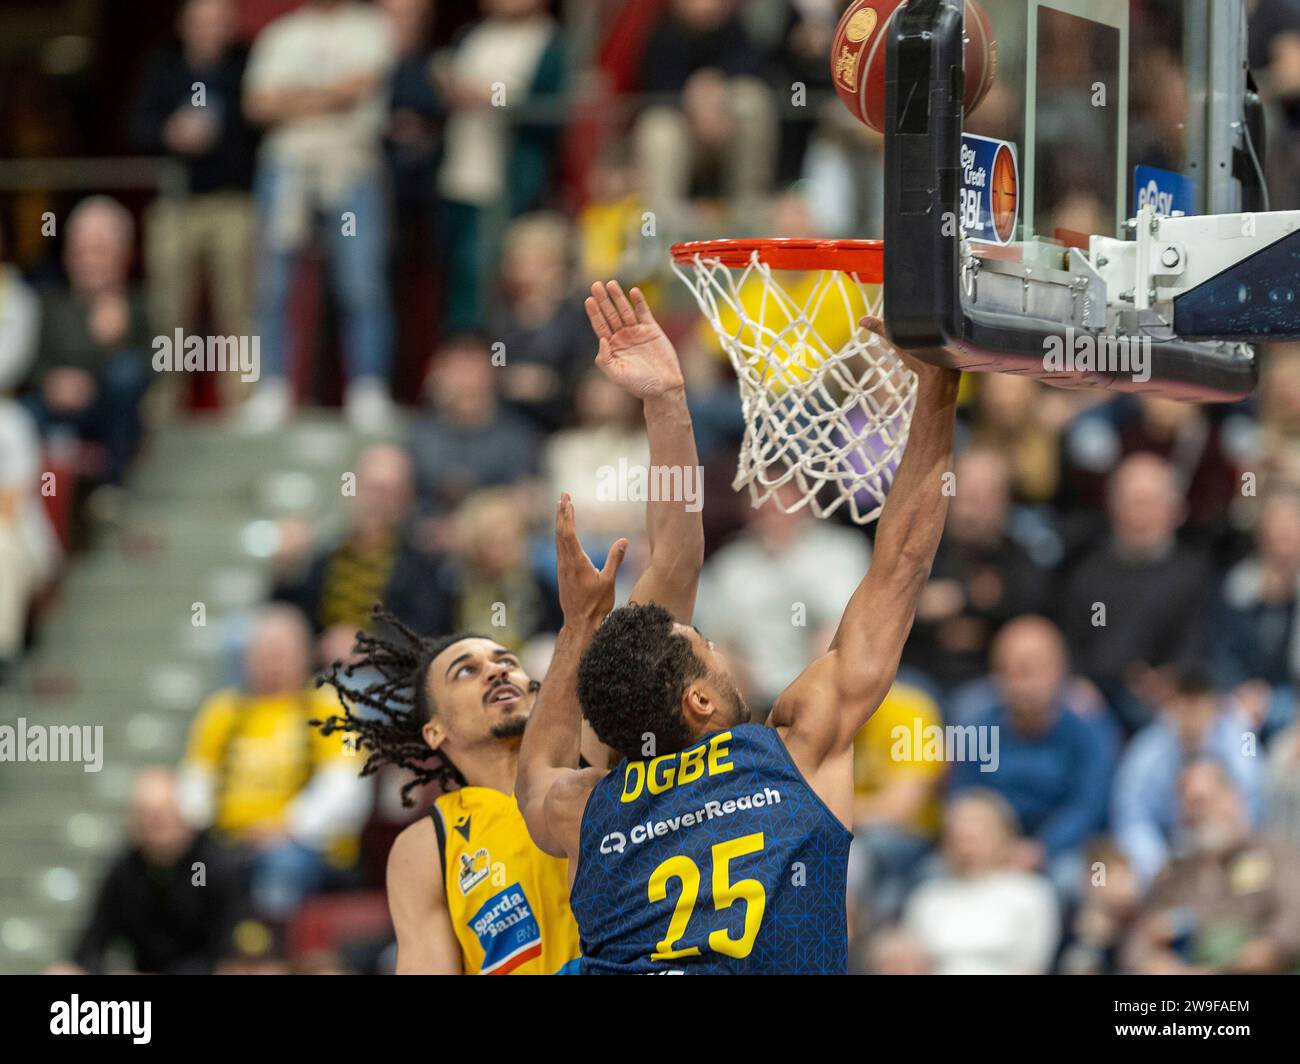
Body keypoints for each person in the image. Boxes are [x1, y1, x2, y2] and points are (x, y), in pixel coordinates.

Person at [516, 303, 961, 974]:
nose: (720, 648)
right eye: (707, 646)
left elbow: (532, 780)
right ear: (698, 701)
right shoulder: (796, 752)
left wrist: (579, 627)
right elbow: (900, 564)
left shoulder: (587, 806)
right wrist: (938, 386)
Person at [312, 280, 704, 973]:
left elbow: (671, 568)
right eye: (465, 669)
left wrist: (666, 405)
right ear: (433, 730)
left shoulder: (594, 751)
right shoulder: (429, 846)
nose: (497, 668)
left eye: (501, 658)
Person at [241, 0, 397, 432]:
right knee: (274, 283)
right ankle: (272, 388)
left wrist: (292, 99)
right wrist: (329, 95)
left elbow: (361, 88)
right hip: (286, 167)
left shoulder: (371, 28)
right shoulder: (282, 33)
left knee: (361, 280)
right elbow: (257, 104)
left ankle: (367, 388)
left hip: (352, 166)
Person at [178, 605, 370, 919]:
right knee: (186, 866)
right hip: (229, 841)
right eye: (264, 653)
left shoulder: (332, 707)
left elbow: (347, 788)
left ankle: (268, 956)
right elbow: (195, 782)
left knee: (280, 868)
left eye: (281, 653)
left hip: (305, 845)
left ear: (305, 655)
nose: (272, 663)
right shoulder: (221, 711)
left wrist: (286, 827)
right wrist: (209, 829)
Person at [949, 616, 1114, 900]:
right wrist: (992, 846)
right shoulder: (977, 730)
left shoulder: (1089, 730)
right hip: (990, 847)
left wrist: (1042, 848)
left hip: (1064, 850)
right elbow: (964, 798)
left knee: (1071, 882)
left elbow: (1090, 805)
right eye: (1013, 671)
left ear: (1060, 671)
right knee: (931, 877)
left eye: (1033, 670)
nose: (1024, 684)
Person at [1124, 758, 1300, 974]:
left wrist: (1272, 946)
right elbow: (1138, 941)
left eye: (1202, 801)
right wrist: (1155, 963)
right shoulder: (1177, 873)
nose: (1197, 814)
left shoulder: (1276, 852)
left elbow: (1295, 912)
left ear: (1234, 797)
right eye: (1187, 805)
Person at [63, 769, 247, 974]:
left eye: (163, 813)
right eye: (145, 814)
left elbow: (222, 955)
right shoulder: (126, 870)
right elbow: (92, 943)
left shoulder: (206, 867)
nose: (154, 823)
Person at [899, 791, 1060, 976]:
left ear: (1004, 836)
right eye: (959, 838)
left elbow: (1034, 965)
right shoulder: (926, 898)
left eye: (975, 838)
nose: (967, 847)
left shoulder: (1031, 894)